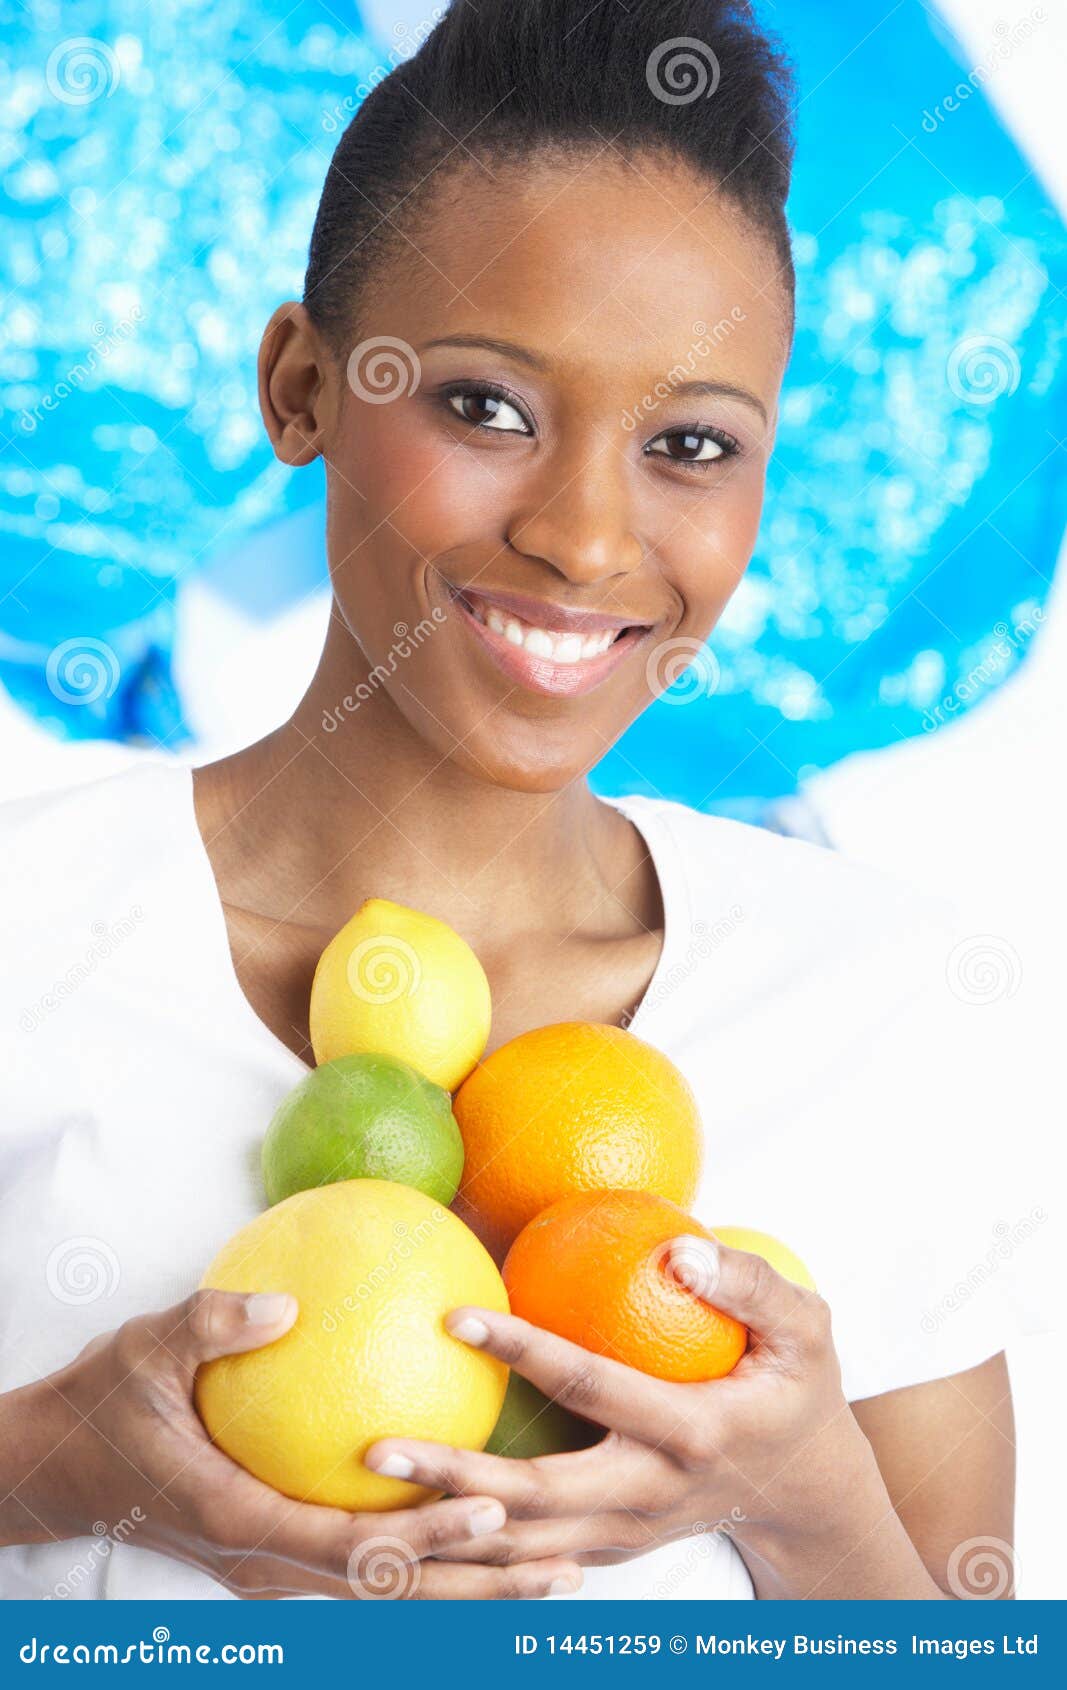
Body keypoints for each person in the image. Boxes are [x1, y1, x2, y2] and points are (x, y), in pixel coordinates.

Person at [0, 0, 1026, 1601]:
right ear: (302, 387)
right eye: (486, 406)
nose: (589, 539)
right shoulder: (29, 929)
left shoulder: (883, 1004)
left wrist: (808, 1498)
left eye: (690, 442)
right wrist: (50, 1455)